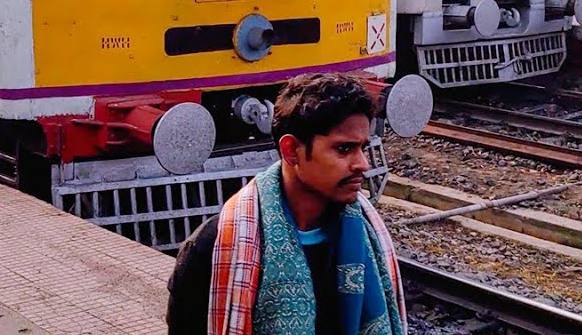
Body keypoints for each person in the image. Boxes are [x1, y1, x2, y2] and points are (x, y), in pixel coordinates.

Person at [166, 73, 407, 335]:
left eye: (363, 148)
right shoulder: (214, 246)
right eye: (344, 149)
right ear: (291, 151)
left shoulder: (366, 235)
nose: (363, 164)